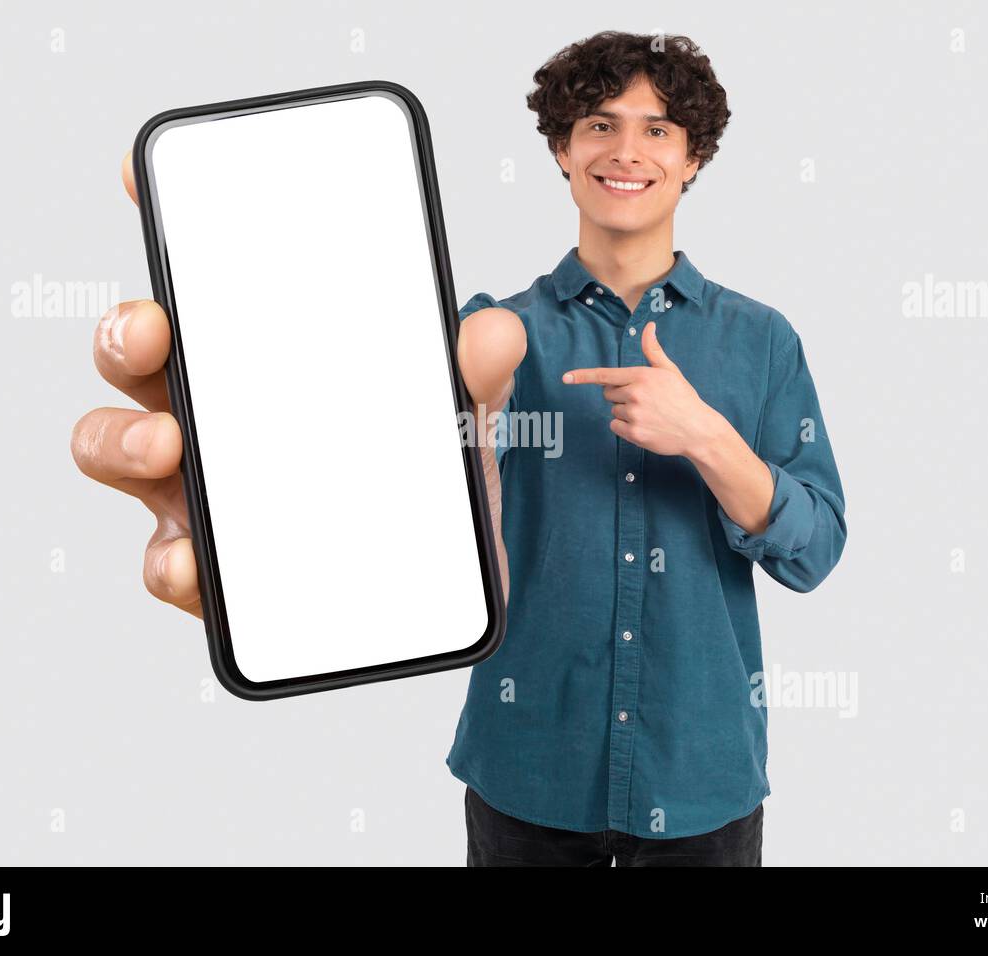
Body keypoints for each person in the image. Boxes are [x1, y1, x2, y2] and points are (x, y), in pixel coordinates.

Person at [72, 30, 847, 867]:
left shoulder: (762, 341)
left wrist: (706, 437)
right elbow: (394, 493)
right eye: (598, 123)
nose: (627, 150)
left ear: (693, 158)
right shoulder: (492, 335)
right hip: (526, 775)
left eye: (657, 129)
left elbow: (816, 550)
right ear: (560, 147)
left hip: (703, 781)